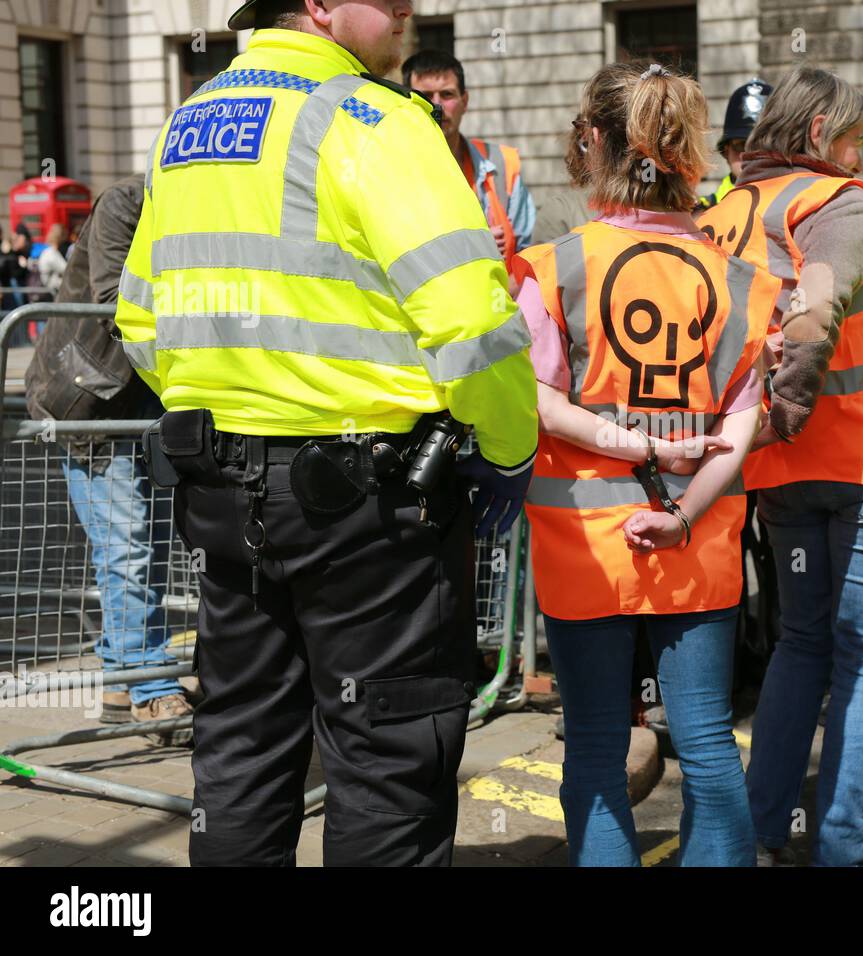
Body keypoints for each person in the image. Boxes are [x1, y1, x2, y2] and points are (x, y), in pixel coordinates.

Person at [115, 0, 538, 867]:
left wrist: (240, 400)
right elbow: (472, 321)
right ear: (317, 5)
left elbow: (141, 319)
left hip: (226, 491)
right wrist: (507, 446)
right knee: (391, 757)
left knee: (240, 746)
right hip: (371, 509)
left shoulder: (190, 124)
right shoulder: (374, 118)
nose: (407, 9)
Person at [513, 61, 779, 867]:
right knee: (704, 740)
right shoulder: (742, 280)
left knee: (596, 745)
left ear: (591, 142)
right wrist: (683, 502)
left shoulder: (554, 266)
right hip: (694, 536)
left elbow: (540, 402)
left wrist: (633, 445)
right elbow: (741, 423)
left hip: (581, 537)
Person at [699, 65, 863, 867]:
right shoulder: (835, 197)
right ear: (817, 136)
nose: (858, 156)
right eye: (851, 140)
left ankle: (765, 831)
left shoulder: (727, 210)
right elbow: (817, 313)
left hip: (783, 473)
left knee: (801, 645)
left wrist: (761, 434)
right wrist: (789, 411)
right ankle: (841, 850)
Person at [23, 174, 192, 743]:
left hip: (145, 407)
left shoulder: (205, 212)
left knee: (141, 547)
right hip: (88, 404)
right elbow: (113, 301)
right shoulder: (128, 202)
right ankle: (150, 689)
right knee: (129, 549)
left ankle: (124, 676)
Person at [402, 48, 536, 260]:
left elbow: (528, 255)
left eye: (447, 94)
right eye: (425, 96)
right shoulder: (391, 166)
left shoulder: (501, 163)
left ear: (465, 101)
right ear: (408, 103)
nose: (437, 105)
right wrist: (472, 245)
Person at [695, 77, 772, 212]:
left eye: (760, 145)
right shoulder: (700, 214)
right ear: (726, 151)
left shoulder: (798, 207)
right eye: (741, 145)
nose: (750, 155)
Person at [37, 223, 67, 297]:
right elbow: (66, 269)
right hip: (53, 292)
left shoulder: (46, 251)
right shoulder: (51, 253)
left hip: (51, 290)